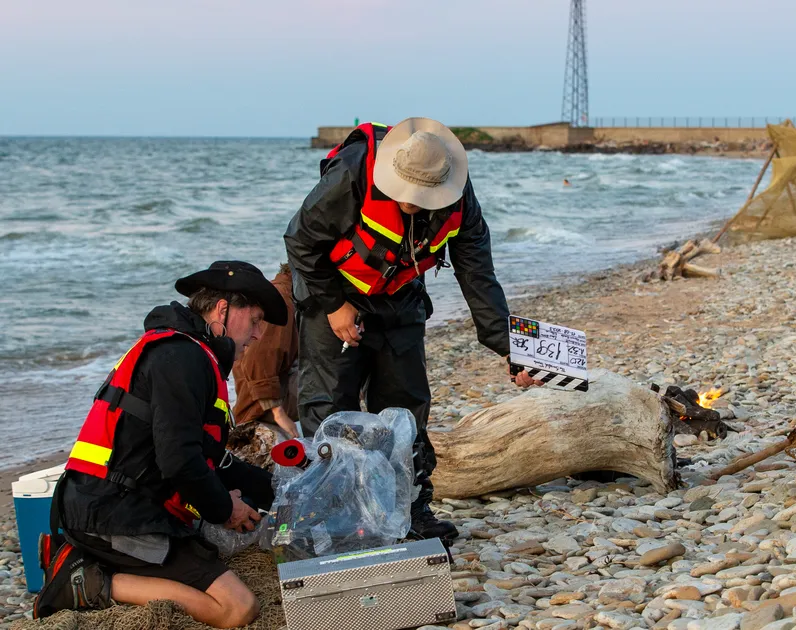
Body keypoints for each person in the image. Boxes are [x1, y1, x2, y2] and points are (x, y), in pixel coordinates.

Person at [284, 118, 538, 544]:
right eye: (406, 195)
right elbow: (300, 241)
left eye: (423, 198)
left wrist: (510, 347)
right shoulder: (351, 174)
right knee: (329, 406)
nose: (413, 204)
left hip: (400, 298)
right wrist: (334, 307)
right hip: (334, 291)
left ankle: (410, 508)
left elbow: (478, 273)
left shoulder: (459, 196)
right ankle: (328, 518)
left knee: (406, 407)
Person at [35, 261, 288, 628]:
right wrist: (224, 510)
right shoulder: (183, 358)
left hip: (109, 502)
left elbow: (210, 456)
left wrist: (281, 489)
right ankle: (84, 580)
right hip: (112, 513)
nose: (259, 335)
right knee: (237, 607)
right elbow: (180, 461)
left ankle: (94, 558)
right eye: (255, 321)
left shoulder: (181, 352)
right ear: (223, 310)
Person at [231, 263, 300, 439]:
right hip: (262, 405)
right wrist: (278, 413)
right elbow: (259, 357)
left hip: (262, 395)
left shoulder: (281, 293)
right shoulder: (282, 299)